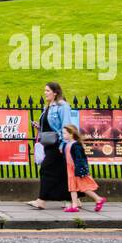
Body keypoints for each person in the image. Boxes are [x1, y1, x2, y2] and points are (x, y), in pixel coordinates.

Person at [27, 81, 72, 209]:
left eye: (47, 91)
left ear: (55, 92)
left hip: (58, 144)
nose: (45, 93)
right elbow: (47, 125)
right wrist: (38, 126)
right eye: (45, 90)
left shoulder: (63, 106)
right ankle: (73, 199)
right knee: (62, 172)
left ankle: (41, 200)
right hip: (49, 144)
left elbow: (66, 125)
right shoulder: (47, 107)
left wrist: (63, 144)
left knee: (45, 169)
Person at [61, 124, 105, 213]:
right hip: (70, 168)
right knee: (72, 187)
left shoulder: (76, 145)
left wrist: (79, 169)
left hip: (76, 169)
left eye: (64, 133)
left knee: (83, 187)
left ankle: (98, 199)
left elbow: (80, 158)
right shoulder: (67, 144)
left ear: (71, 134)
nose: (63, 135)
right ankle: (74, 205)